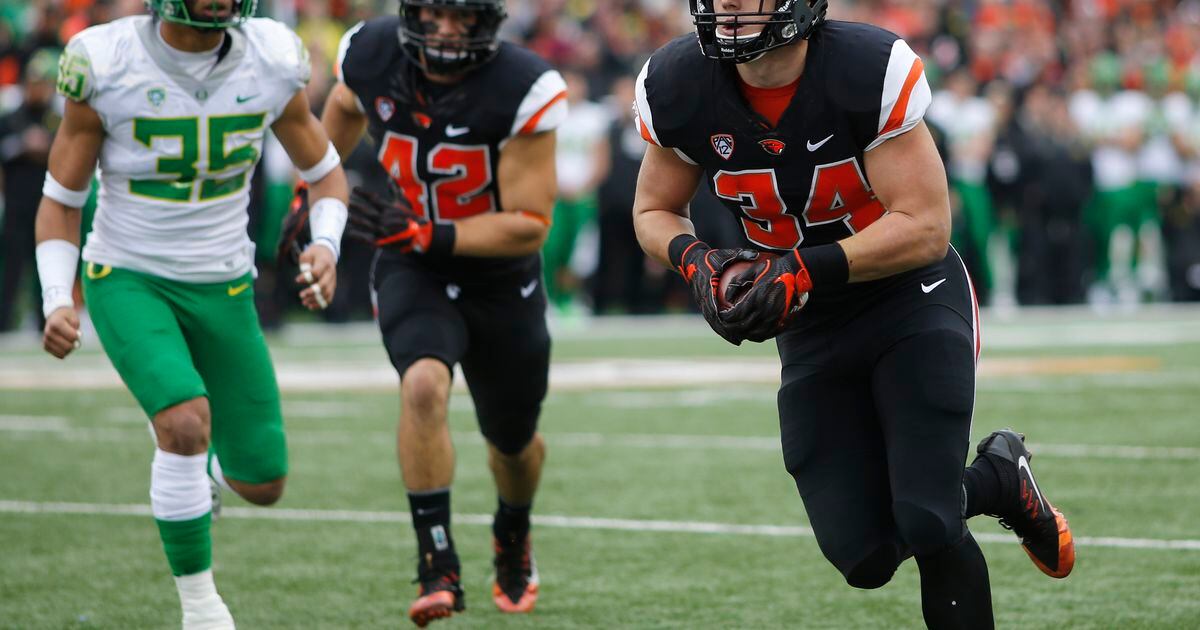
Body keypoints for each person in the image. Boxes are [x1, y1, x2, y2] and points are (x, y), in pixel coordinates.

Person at [631, 2, 1074, 628]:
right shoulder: (679, 82)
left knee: (929, 518)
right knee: (863, 555)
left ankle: (985, 487)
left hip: (908, 295)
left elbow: (924, 226)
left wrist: (801, 268)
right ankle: (998, 478)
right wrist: (697, 261)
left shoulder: (864, 69)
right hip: (811, 320)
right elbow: (653, 212)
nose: (730, 4)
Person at [34, 1, 349, 627]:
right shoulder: (107, 62)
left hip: (224, 284)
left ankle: (200, 468)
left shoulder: (270, 57)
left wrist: (326, 244)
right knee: (183, 422)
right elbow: (61, 201)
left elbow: (328, 176)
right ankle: (201, 608)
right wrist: (54, 297)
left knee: (263, 482)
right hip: (128, 277)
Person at [320, 0, 563, 625]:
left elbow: (529, 225)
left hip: (498, 277)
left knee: (512, 445)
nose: (447, 31)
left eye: (463, 19)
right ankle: (438, 563)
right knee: (422, 384)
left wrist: (431, 233)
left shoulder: (522, 86)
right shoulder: (372, 54)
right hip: (414, 265)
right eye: (434, 15)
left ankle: (513, 529)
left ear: (490, 22)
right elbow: (346, 107)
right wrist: (317, 187)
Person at [0, 49, 60, 332]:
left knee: (45, 264)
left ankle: (45, 320)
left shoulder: (55, 118)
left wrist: (44, 146)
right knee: (11, 263)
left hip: (46, 201)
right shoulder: (12, 116)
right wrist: (23, 145)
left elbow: (67, 155)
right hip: (16, 199)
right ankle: (4, 321)